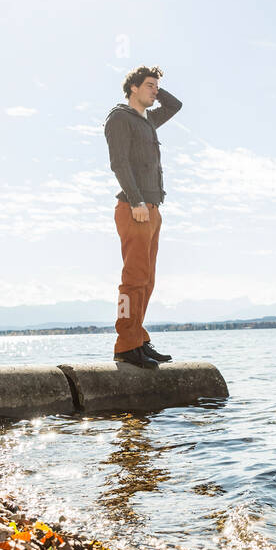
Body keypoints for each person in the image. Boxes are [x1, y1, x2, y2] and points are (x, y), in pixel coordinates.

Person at [103, 65, 182, 368]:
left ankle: (138, 339)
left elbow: (175, 106)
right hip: (133, 208)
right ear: (133, 88)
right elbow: (119, 163)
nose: (154, 91)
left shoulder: (147, 121)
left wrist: (158, 88)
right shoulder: (120, 118)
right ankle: (125, 345)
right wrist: (136, 200)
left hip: (152, 210)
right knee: (133, 280)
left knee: (147, 280)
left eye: (156, 87)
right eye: (149, 86)